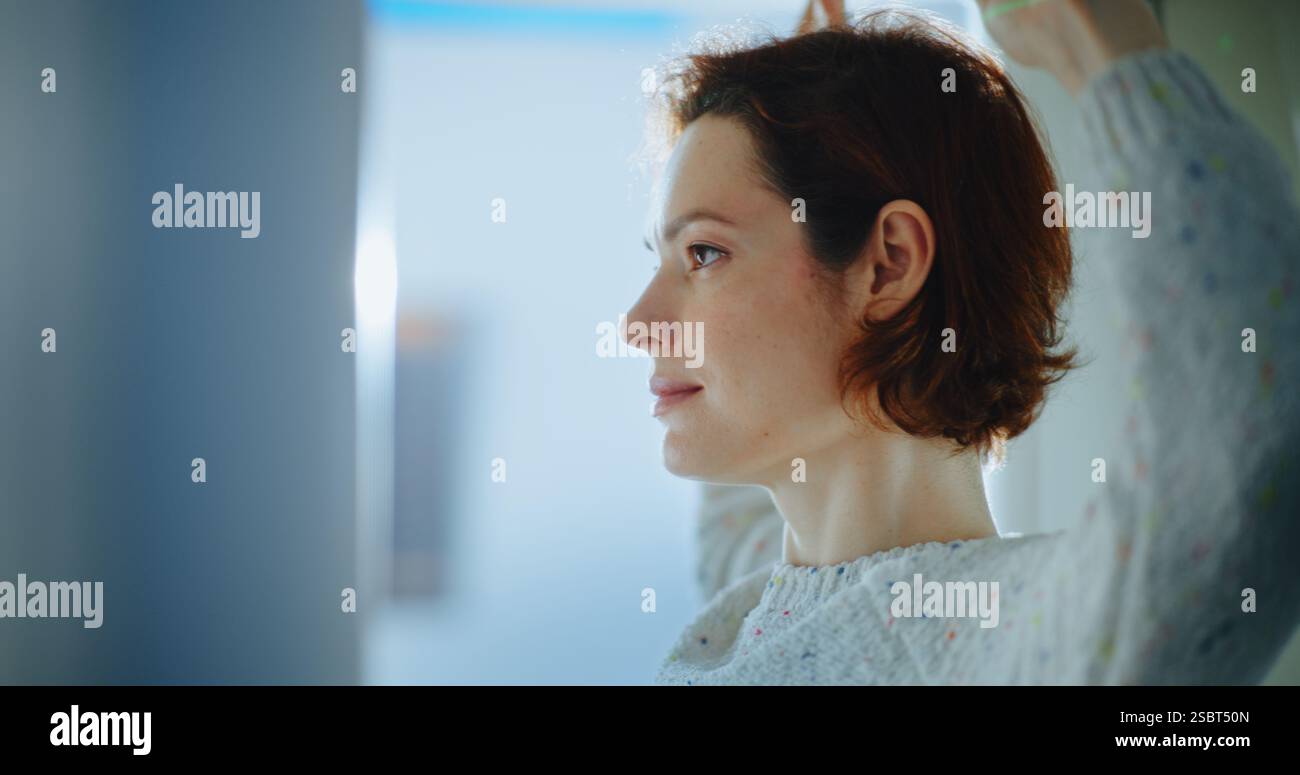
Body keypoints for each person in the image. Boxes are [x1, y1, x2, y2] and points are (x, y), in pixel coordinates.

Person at [625, 0, 1300, 684]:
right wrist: (825, 107)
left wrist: (1106, 45)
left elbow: (1245, 440)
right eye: (659, 257)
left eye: (703, 253)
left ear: (889, 262)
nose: (636, 322)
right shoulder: (750, 610)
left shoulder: (1013, 638)